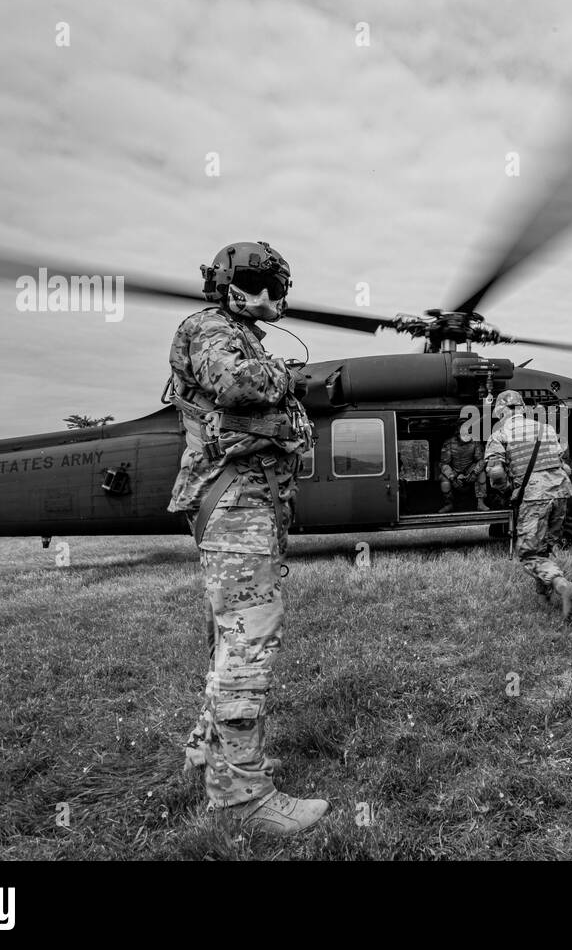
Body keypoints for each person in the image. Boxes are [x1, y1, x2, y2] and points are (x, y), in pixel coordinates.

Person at [167, 240, 329, 835]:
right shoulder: (211, 329)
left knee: (229, 638)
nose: (278, 296)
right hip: (234, 499)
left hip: (246, 500)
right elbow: (235, 385)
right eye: (271, 283)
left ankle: (208, 753)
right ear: (243, 285)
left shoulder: (235, 332)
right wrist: (287, 375)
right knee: (249, 638)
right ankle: (241, 795)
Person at [484, 389, 572, 621]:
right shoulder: (546, 429)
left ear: (501, 411)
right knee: (545, 547)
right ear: (522, 408)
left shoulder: (500, 434)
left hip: (534, 496)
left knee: (529, 553)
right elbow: (564, 465)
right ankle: (543, 595)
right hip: (560, 492)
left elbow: (497, 472)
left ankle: (563, 587)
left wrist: (508, 492)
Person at [438, 421, 489, 512]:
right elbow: (444, 464)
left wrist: (474, 473)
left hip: (470, 470)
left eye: (469, 431)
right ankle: (448, 504)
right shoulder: (449, 443)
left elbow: (481, 460)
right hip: (454, 471)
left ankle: (481, 503)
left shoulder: (475, 442)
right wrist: (452, 477)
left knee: (482, 474)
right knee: (444, 480)